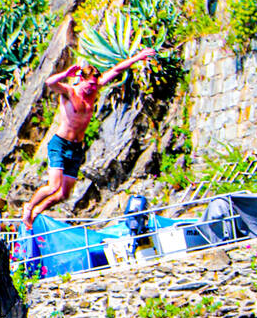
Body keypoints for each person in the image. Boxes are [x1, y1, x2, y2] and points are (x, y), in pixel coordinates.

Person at [22, 49, 157, 230]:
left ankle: (39, 210)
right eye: (89, 85)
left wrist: (138, 57)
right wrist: (66, 74)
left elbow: (117, 70)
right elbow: (50, 82)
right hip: (60, 144)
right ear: (81, 80)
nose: (92, 88)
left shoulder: (95, 88)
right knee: (54, 186)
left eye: (94, 85)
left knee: (64, 194)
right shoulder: (69, 91)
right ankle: (29, 207)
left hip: (76, 148)